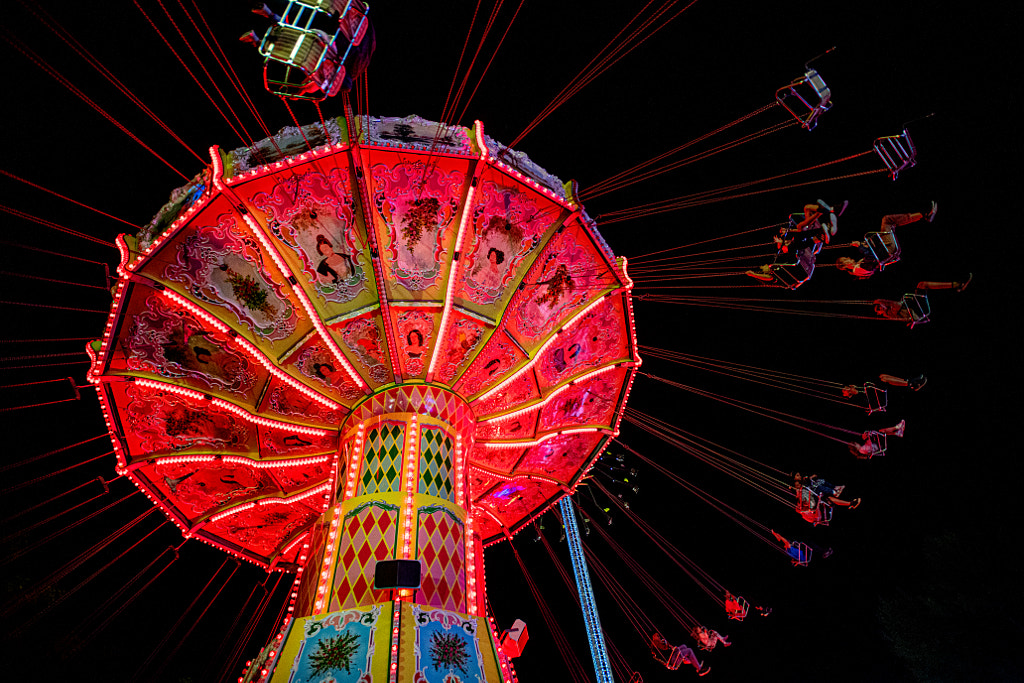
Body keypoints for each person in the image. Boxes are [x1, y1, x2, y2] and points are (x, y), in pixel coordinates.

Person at [836, 201, 938, 278]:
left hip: (885, 249)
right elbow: (872, 259)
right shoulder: (857, 270)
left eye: (846, 257)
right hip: (888, 251)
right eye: (846, 259)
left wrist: (866, 245)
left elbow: (871, 255)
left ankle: (924, 216)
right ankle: (924, 215)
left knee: (889, 221)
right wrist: (860, 246)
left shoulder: (858, 264)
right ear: (844, 265)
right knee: (887, 220)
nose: (849, 258)